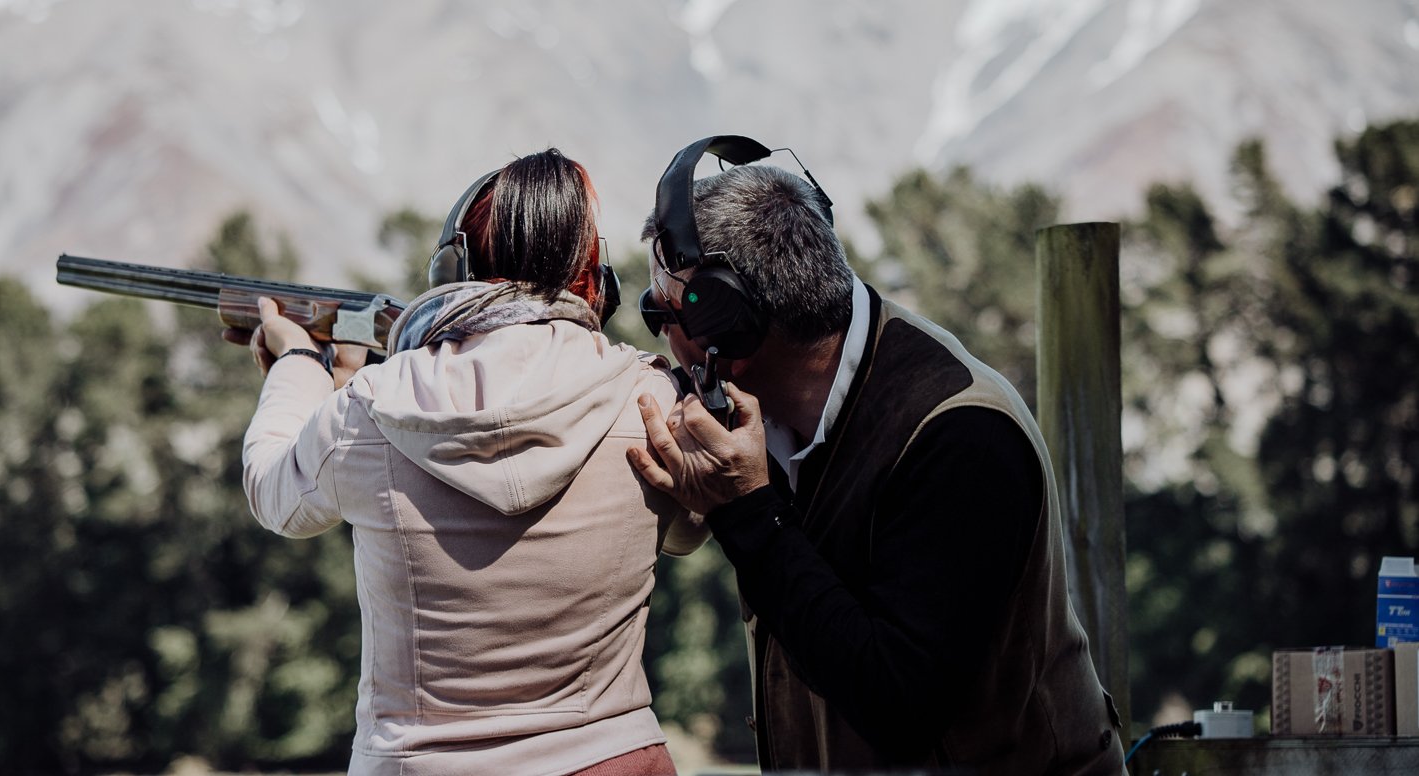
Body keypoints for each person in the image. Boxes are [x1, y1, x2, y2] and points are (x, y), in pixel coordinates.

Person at [626, 136, 1125, 774]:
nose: (661, 339)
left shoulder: (962, 436)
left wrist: (747, 511)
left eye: (660, 312)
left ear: (727, 324)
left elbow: (900, 703)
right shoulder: (770, 413)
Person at [234, 148, 706, 776]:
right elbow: (684, 532)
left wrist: (297, 365)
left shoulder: (369, 407)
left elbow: (275, 495)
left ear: (452, 269)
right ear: (598, 282)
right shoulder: (652, 397)